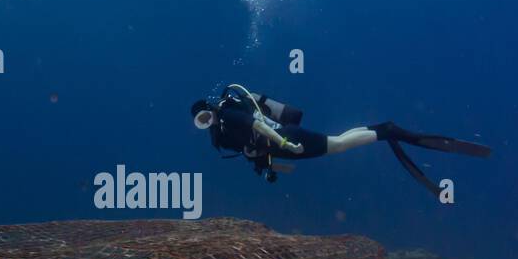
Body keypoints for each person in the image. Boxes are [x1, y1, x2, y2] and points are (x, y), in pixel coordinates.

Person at [191, 84, 490, 194]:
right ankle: (381, 129)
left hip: (285, 139)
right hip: (283, 148)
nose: (207, 123)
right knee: (337, 142)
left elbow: (256, 123)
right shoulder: (221, 137)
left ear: (211, 110)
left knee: (339, 145)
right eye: (201, 123)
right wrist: (270, 166)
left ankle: (387, 132)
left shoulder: (228, 115)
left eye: (206, 116)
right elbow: (250, 149)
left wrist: (282, 144)